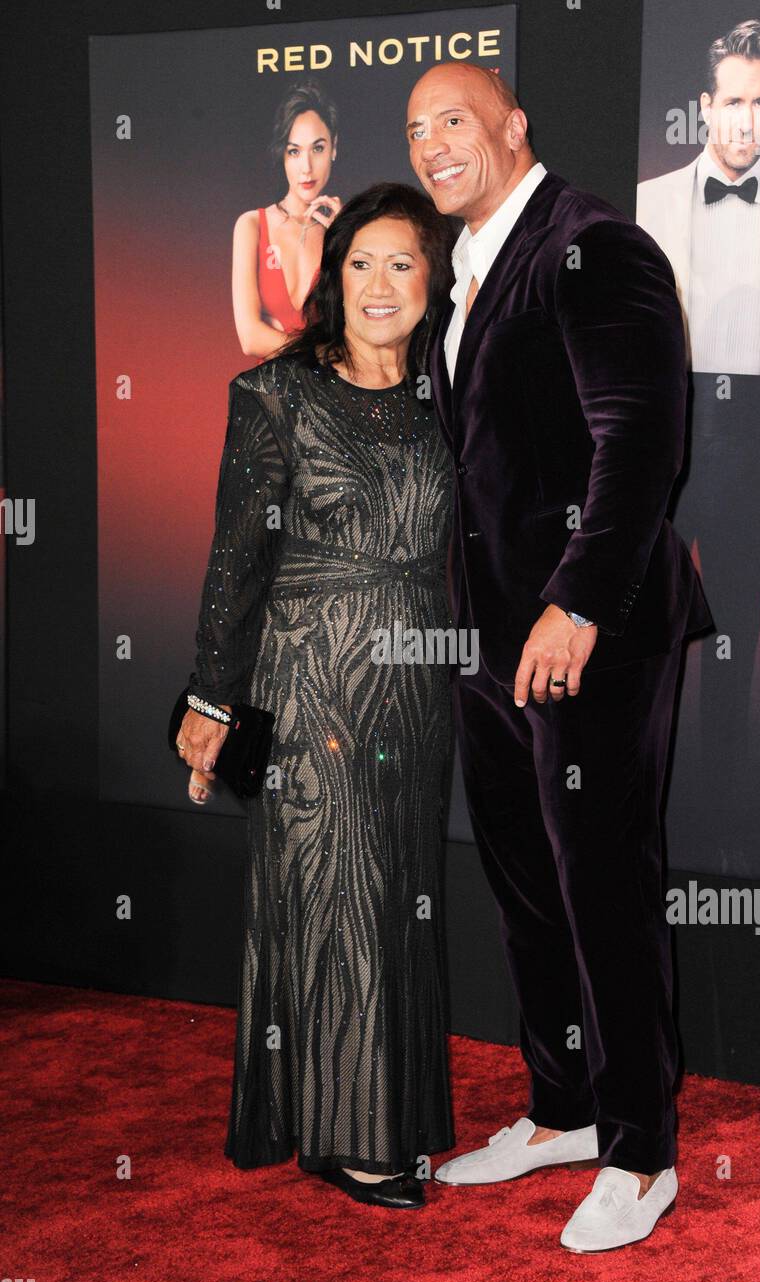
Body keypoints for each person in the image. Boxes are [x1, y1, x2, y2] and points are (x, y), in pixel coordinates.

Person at [406, 61, 713, 1251]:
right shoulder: (466, 271)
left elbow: (639, 438)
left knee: (601, 883)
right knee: (529, 884)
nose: (434, 145)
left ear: (512, 124)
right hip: (489, 639)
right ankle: (564, 1108)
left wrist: (579, 603)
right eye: (416, 128)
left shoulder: (592, 243)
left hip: (594, 632)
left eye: (454, 120)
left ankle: (640, 1149)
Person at [175, 182, 458, 1207]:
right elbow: (233, 559)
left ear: (434, 279)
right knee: (340, 891)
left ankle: (380, 1112)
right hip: (311, 680)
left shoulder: (447, 393)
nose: (379, 285)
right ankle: (354, 1136)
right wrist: (211, 701)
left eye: (402, 264)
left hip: (418, 686)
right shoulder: (275, 394)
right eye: (359, 264)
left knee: (397, 894)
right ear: (333, 277)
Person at [636, 19, 760, 872]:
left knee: (735, 645)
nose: (746, 120)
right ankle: (640, 808)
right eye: (732, 102)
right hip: (672, 446)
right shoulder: (644, 201)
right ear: (704, 105)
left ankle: (716, 837)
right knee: (648, 636)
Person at [190, 82, 343, 806]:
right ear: (278, 155)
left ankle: (301, 763)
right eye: (293, 149)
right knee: (243, 574)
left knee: (306, 595)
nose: (305, 164)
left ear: (335, 150)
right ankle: (217, 741)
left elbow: (347, 332)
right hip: (268, 425)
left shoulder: (346, 230)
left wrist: (323, 242)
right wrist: (318, 345)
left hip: (331, 432)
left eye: (318, 148)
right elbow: (251, 336)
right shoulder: (249, 224)